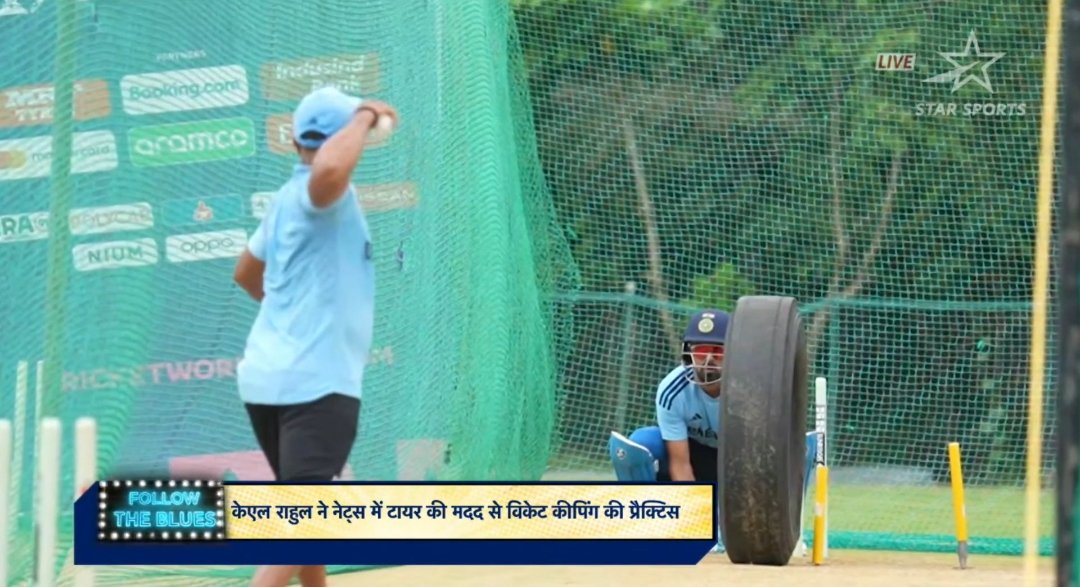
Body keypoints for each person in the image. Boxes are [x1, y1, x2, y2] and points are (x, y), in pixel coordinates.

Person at [232, 85, 397, 587]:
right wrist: (368, 113)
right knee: (306, 522)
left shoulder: (288, 198)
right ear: (339, 136)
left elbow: (245, 273)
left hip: (268, 381)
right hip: (316, 383)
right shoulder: (323, 194)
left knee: (303, 508)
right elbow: (329, 170)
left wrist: (293, 313)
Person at [607, 309, 819, 555]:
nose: (708, 360)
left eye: (717, 352)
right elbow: (680, 464)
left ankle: (787, 533)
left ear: (733, 353)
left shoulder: (754, 388)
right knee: (641, 443)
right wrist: (695, 520)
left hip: (741, 466)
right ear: (689, 353)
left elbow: (764, 454)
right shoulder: (672, 390)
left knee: (799, 446)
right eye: (700, 351)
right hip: (698, 463)